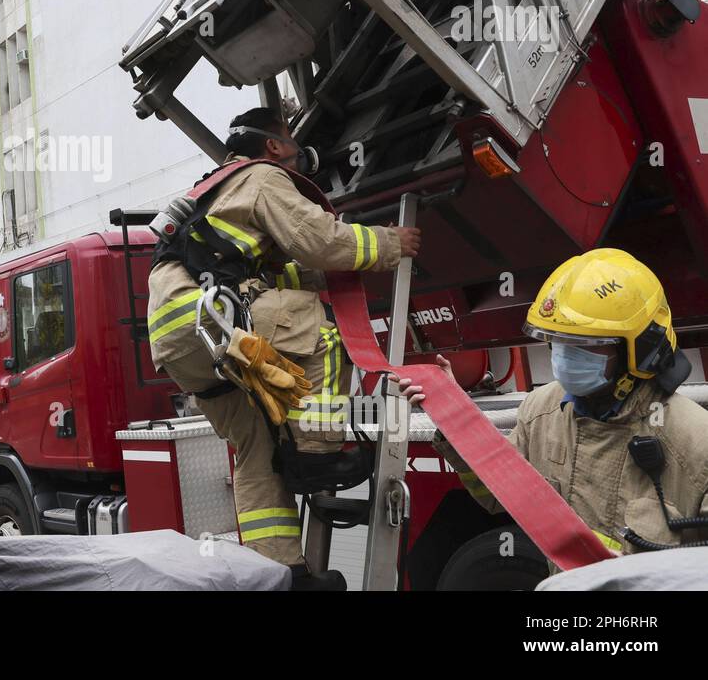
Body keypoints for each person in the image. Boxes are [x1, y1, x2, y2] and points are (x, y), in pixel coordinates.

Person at [147, 106, 421, 590]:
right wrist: (390, 243)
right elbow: (318, 240)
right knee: (326, 333)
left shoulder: (213, 190)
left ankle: (281, 577)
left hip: (179, 339)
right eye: (290, 137)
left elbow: (281, 271)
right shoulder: (261, 177)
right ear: (273, 146)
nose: (297, 150)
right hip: (212, 317)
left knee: (255, 447)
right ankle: (317, 452)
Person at [392, 248, 708, 570]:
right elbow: (497, 495)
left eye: (584, 344)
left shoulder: (696, 442)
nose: (565, 358)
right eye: (557, 341)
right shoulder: (541, 410)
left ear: (642, 348)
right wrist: (452, 414)